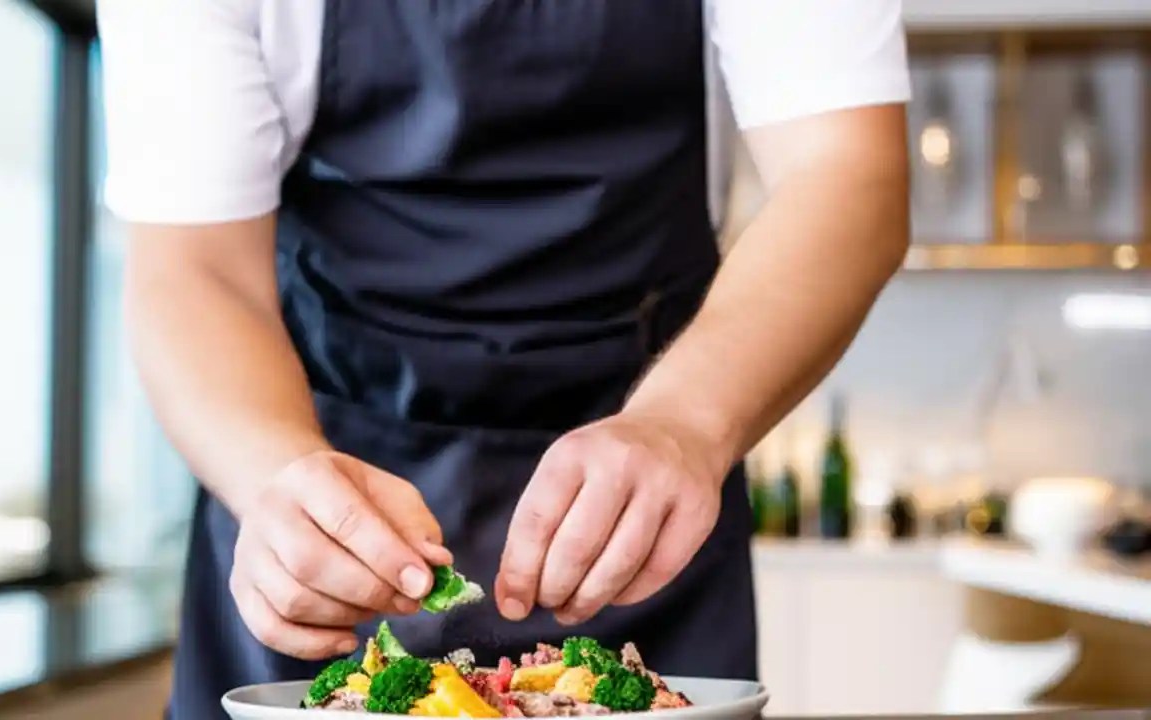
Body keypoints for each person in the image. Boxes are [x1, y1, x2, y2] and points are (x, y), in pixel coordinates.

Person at [98, 1, 911, 717]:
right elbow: (193, 269)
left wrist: (686, 421)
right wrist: (274, 476)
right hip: (322, 470)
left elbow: (846, 174)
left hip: (650, 484)